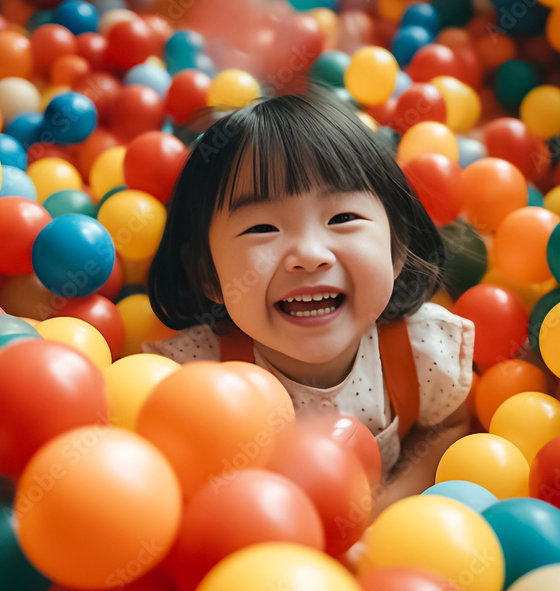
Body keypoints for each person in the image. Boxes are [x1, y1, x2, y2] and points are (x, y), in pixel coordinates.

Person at [145, 91, 475, 515]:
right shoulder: (194, 377)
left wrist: (387, 507)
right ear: (208, 275)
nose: (310, 253)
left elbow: (449, 426)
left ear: (395, 251)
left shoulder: (421, 350)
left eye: (342, 219)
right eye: (262, 227)